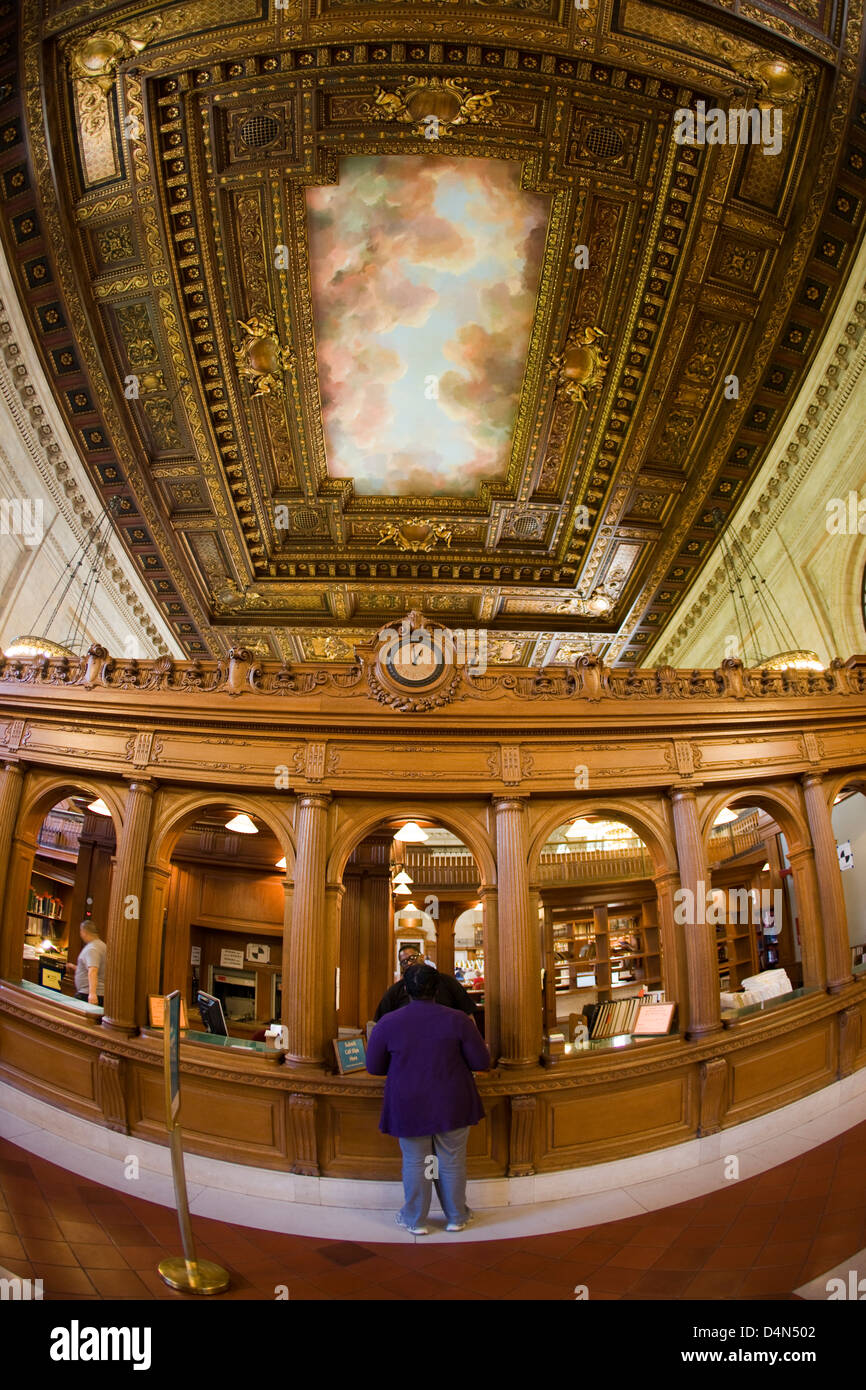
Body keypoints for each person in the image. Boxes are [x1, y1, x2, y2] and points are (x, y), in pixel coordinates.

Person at [366, 963, 490, 1235]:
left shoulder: (388, 1022)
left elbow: (374, 1067)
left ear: (405, 989)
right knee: (452, 1159)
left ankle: (415, 1220)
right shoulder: (458, 1019)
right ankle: (457, 1216)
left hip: (409, 1101)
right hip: (452, 1099)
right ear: (437, 989)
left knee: (416, 1161)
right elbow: (481, 1060)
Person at [374, 945, 478, 1021]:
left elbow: (468, 1015)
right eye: (404, 962)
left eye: (412, 958)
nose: (409, 963)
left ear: (422, 957)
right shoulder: (396, 990)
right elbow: (379, 1022)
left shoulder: (447, 982)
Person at [74, 921, 106, 1006]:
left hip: (88, 994)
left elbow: (93, 970)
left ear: (84, 932)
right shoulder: (102, 945)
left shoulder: (92, 948)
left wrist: (92, 994)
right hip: (95, 993)